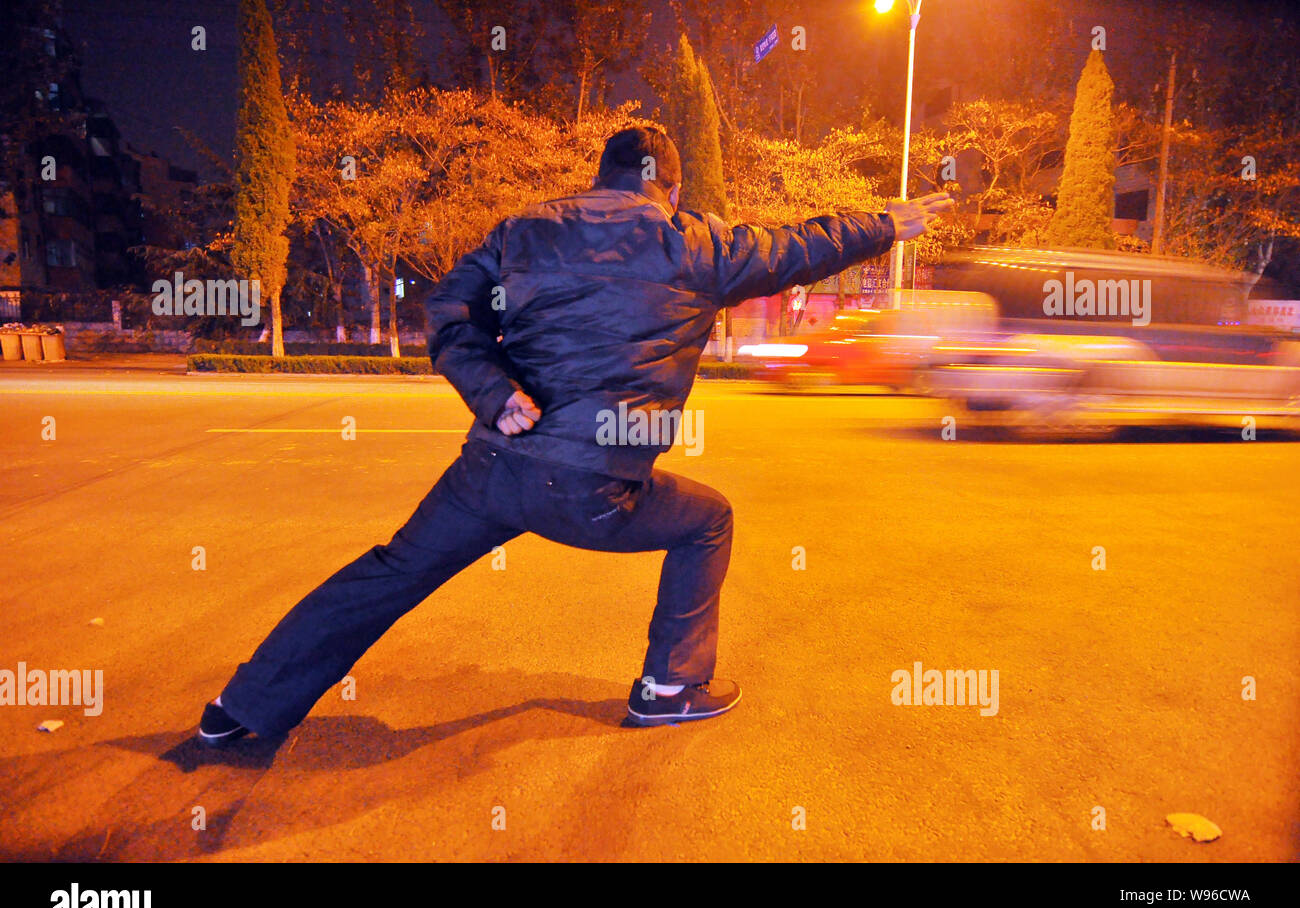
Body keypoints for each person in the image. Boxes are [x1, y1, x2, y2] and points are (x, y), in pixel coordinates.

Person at [198, 126, 953, 746]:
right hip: (598, 489)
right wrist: (886, 224)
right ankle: (669, 687)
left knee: (389, 571)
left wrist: (495, 394)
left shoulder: (522, 231)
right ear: (672, 189)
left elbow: (450, 314)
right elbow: (800, 247)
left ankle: (243, 705)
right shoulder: (699, 245)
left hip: (494, 467)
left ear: (600, 178)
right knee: (709, 519)